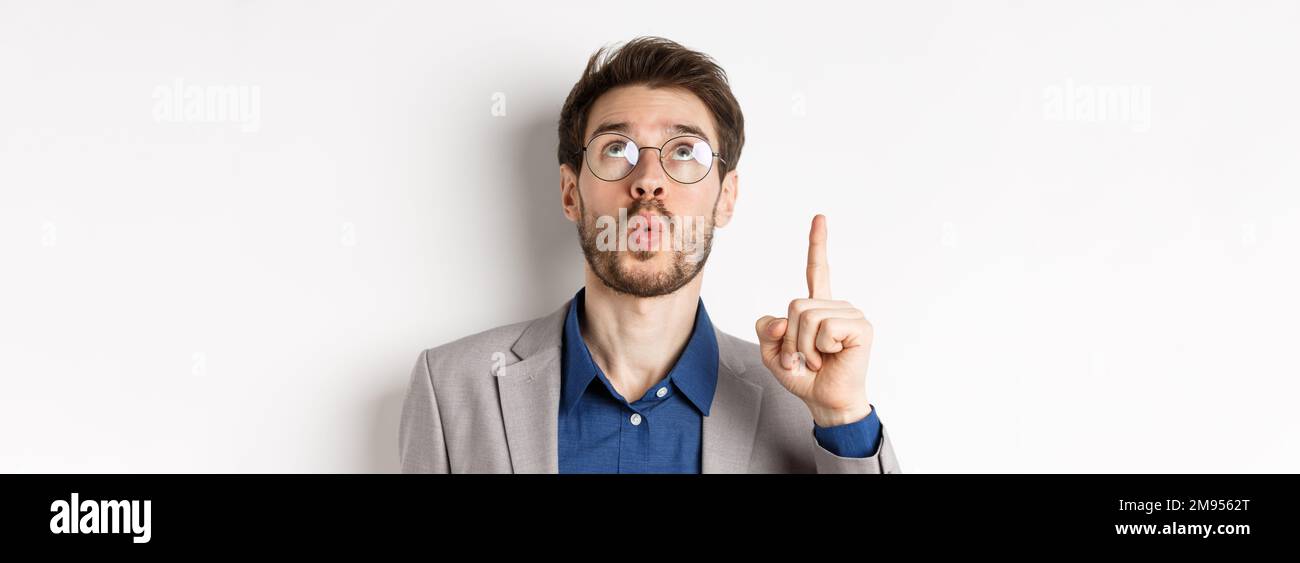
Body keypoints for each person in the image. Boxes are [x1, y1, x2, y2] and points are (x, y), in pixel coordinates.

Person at [399, 37, 900, 473]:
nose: (648, 180)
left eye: (684, 152)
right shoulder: (452, 387)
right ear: (571, 193)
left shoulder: (803, 407)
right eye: (617, 149)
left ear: (725, 198)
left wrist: (842, 417)